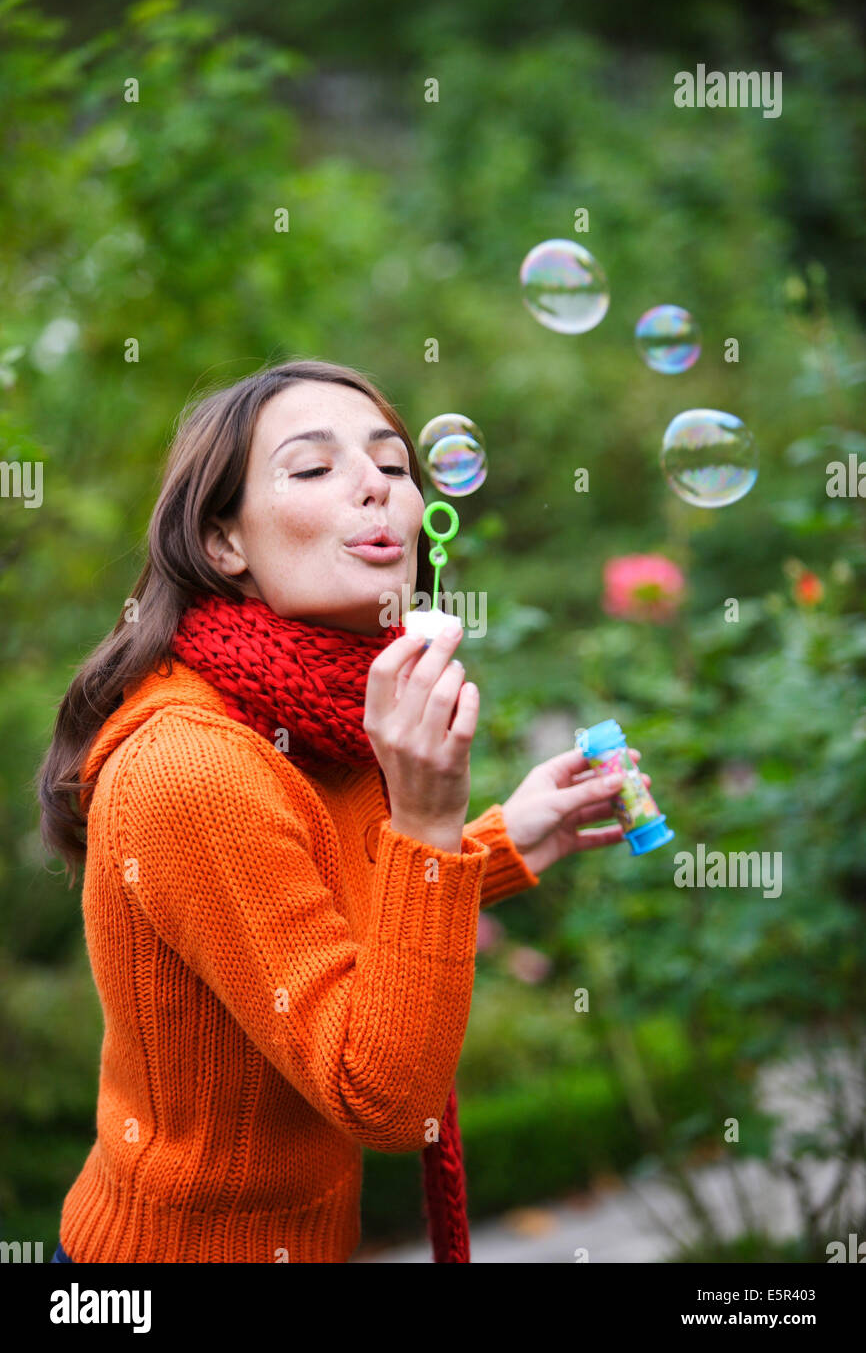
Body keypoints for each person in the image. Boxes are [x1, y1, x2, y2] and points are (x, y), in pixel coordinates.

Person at [37, 357, 645, 1263]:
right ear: (222, 543)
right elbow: (383, 1097)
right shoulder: (191, 765)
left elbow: (324, 913)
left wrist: (499, 839)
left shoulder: (324, 715)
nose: (376, 488)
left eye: (395, 467)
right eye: (314, 468)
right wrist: (430, 823)